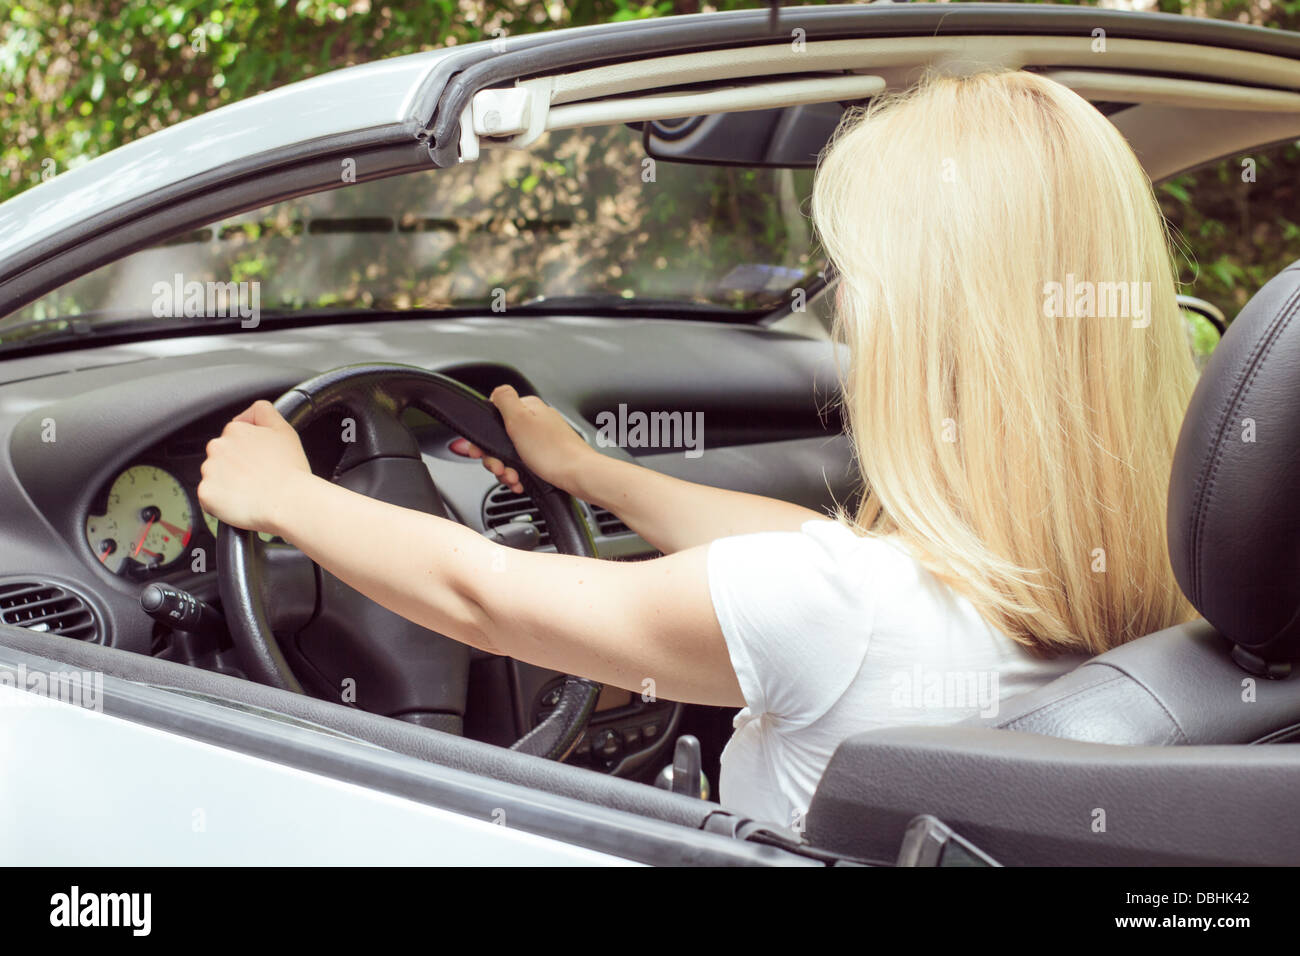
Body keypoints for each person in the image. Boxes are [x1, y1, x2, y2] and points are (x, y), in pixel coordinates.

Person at [199, 70, 1200, 829]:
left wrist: (285, 494)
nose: (847, 304)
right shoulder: (1155, 574)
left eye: (858, 273)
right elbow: (818, 547)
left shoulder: (832, 607)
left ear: (932, 324)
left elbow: (485, 599)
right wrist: (592, 474)